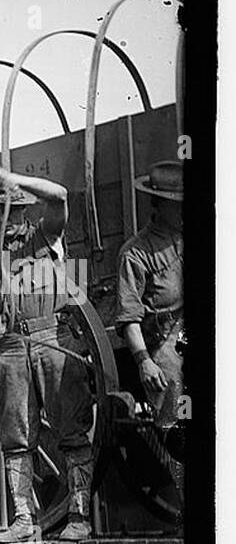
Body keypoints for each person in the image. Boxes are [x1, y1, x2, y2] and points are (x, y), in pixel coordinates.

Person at [0, 161, 95, 542]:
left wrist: (11, 179)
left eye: (0, 210)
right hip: (11, 348)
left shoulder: (47, 236)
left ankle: (80, 517)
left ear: (19, 211)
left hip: (52, 340)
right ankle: (25, 518)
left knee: (72, 429)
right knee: (15, 436)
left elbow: (59, 195)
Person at [114, 160, 184, 430]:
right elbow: (129, 318)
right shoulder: (135, 253)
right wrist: (145, 362)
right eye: (176, 203)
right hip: (164, 343)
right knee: (177, 418)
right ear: (158, 204)